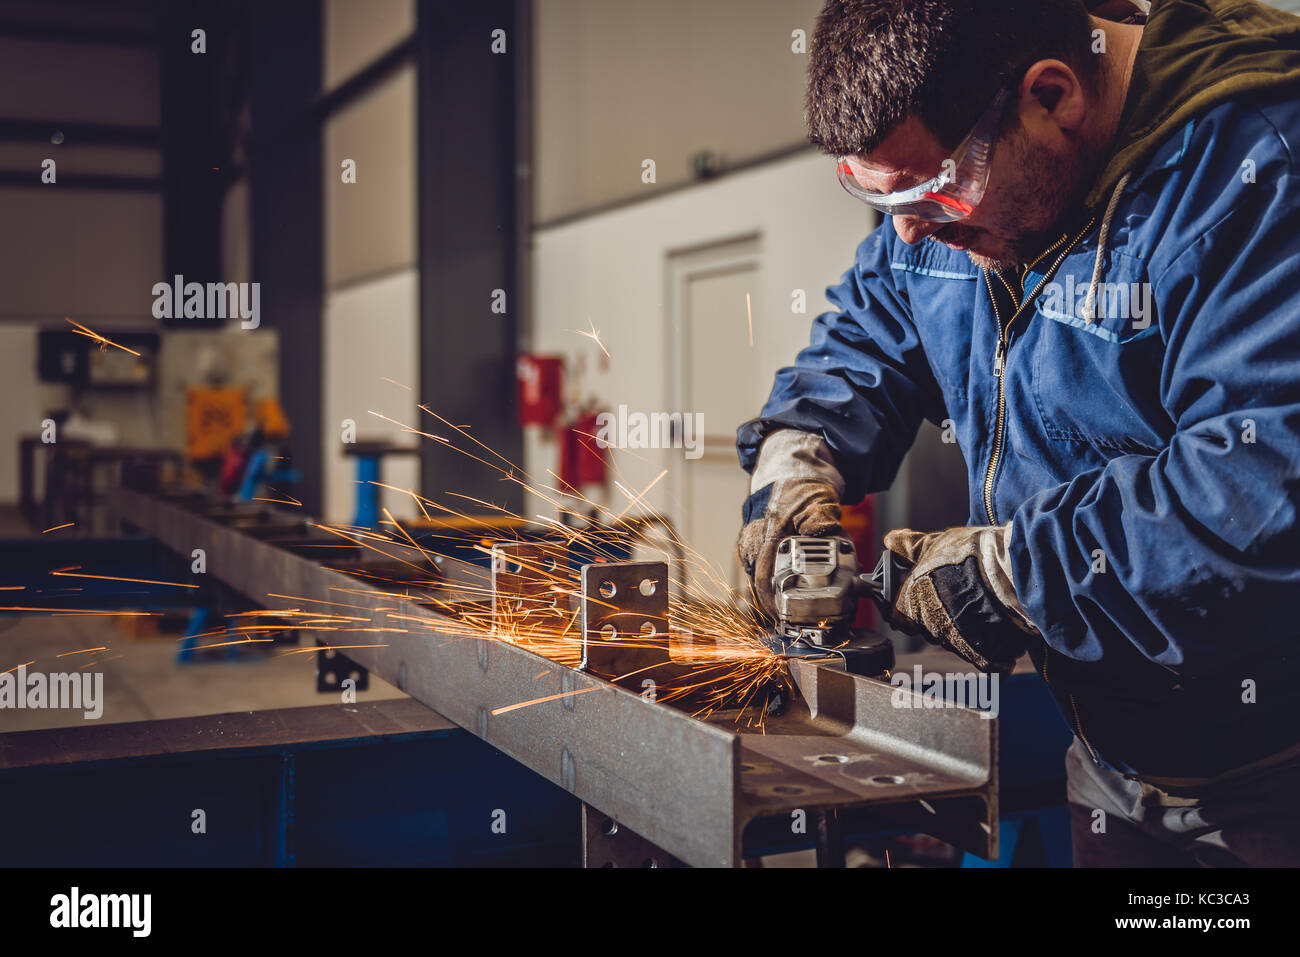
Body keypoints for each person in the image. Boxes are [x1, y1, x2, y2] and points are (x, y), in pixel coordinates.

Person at [736, 0, 1300, 866]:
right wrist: (793, 460)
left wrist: (1007, 574)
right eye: (880, 198)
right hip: (1115, 764)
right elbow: (872, 330)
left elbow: (1255, 499)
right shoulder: (951, 205)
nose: (914, 232)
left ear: (1052, 96)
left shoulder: (1255, 175)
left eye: (935, 196)